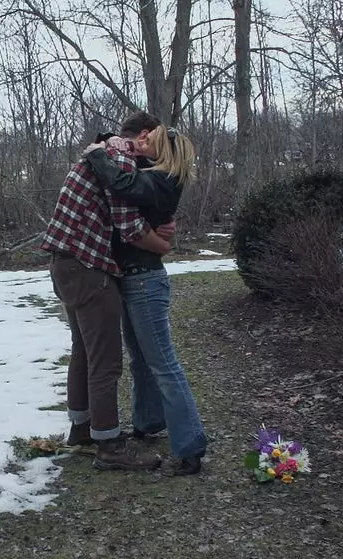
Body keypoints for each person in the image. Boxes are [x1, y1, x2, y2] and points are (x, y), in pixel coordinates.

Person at [40, 133, 174, 471]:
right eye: (154, 140)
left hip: (64, 263)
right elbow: (128, 225)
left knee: (84, 351)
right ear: (141, 136)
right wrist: (162, 244)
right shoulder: (121, 160)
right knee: (106, 360)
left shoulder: (98, 154)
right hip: (89, 268)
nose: (153, 149)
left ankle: (82, 429)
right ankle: (109, 446)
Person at [82, 113, 207, 476]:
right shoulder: (151, 171)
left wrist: (98, 154)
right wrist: (110, 140)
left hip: (145, 282)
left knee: (163, 364)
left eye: (150, 139)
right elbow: (123, 149)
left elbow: (120, 182)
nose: (143, 140)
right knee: (140, 360)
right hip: (132, 279)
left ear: (163, 149)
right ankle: (149, 422)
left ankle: (191, 446)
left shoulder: (164, 181)